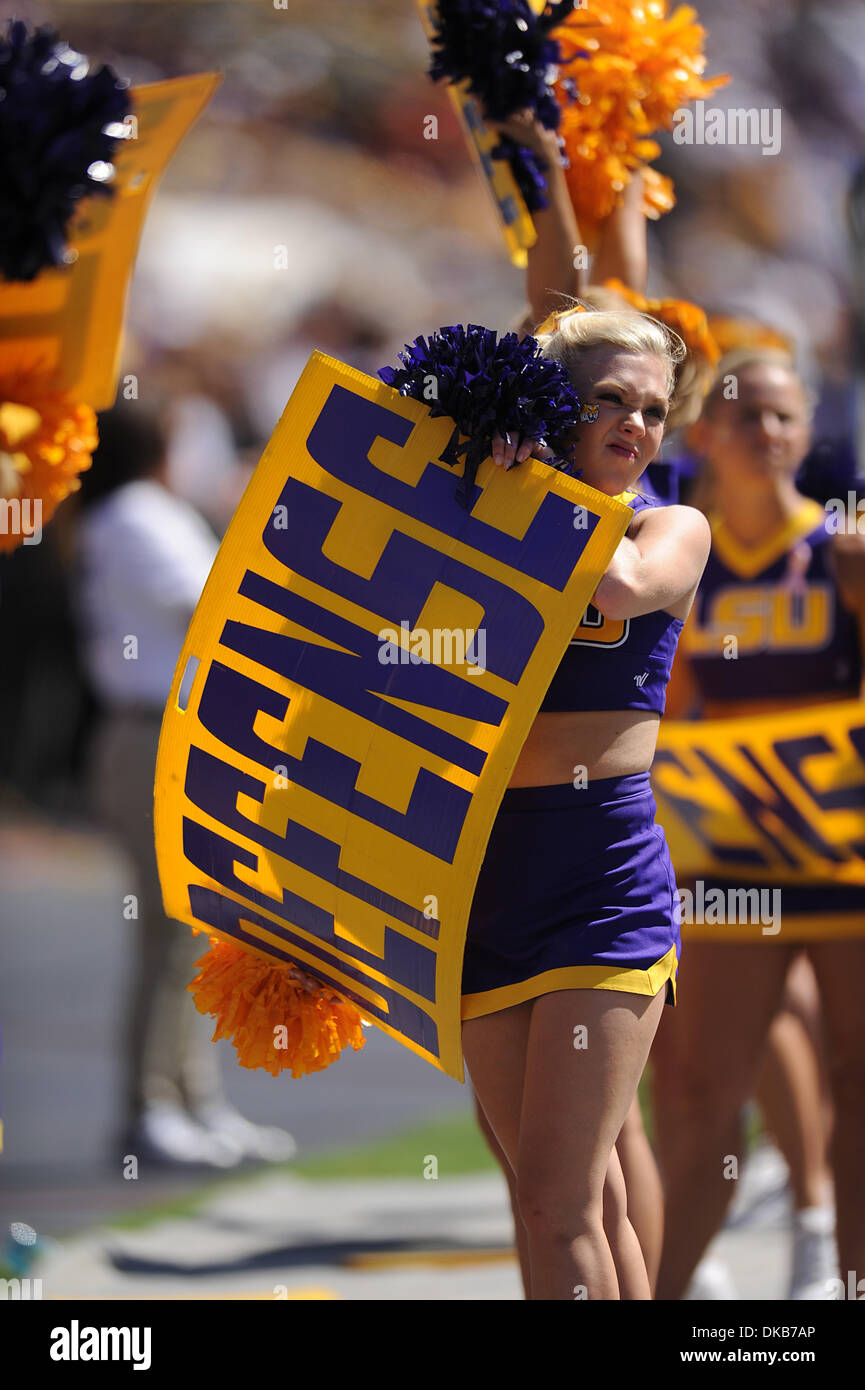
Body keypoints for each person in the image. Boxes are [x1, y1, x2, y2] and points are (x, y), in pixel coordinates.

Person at [459, 305, 711, 1300]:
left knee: (562, 1202)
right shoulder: (480, 509)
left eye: (653, 409)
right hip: (482, 870)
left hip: (603, 874)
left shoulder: (669, 525)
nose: (638, 424)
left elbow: (616, 588)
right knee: (559, 1202)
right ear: (553, 405)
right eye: (609, 399)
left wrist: (524, 478)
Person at [650, 347, 865, 1299]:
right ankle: (666, 1295)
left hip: (846, 868)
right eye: (746, 417)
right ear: (704, 436)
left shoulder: (846, 554)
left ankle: (841, 1276)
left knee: (857, 1087)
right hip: (728, 865)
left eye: (783, 418)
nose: (767, 434)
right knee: (699, 1100)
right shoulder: (677, 555)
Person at [72, 402, 297, 1169]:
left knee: (188, 934)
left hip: (166, 735)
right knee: (166, 937)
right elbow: (217, 601)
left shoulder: (136, 511)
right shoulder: (137, 513)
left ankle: (190, 1099)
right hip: (152, 736)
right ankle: (151, 1107)